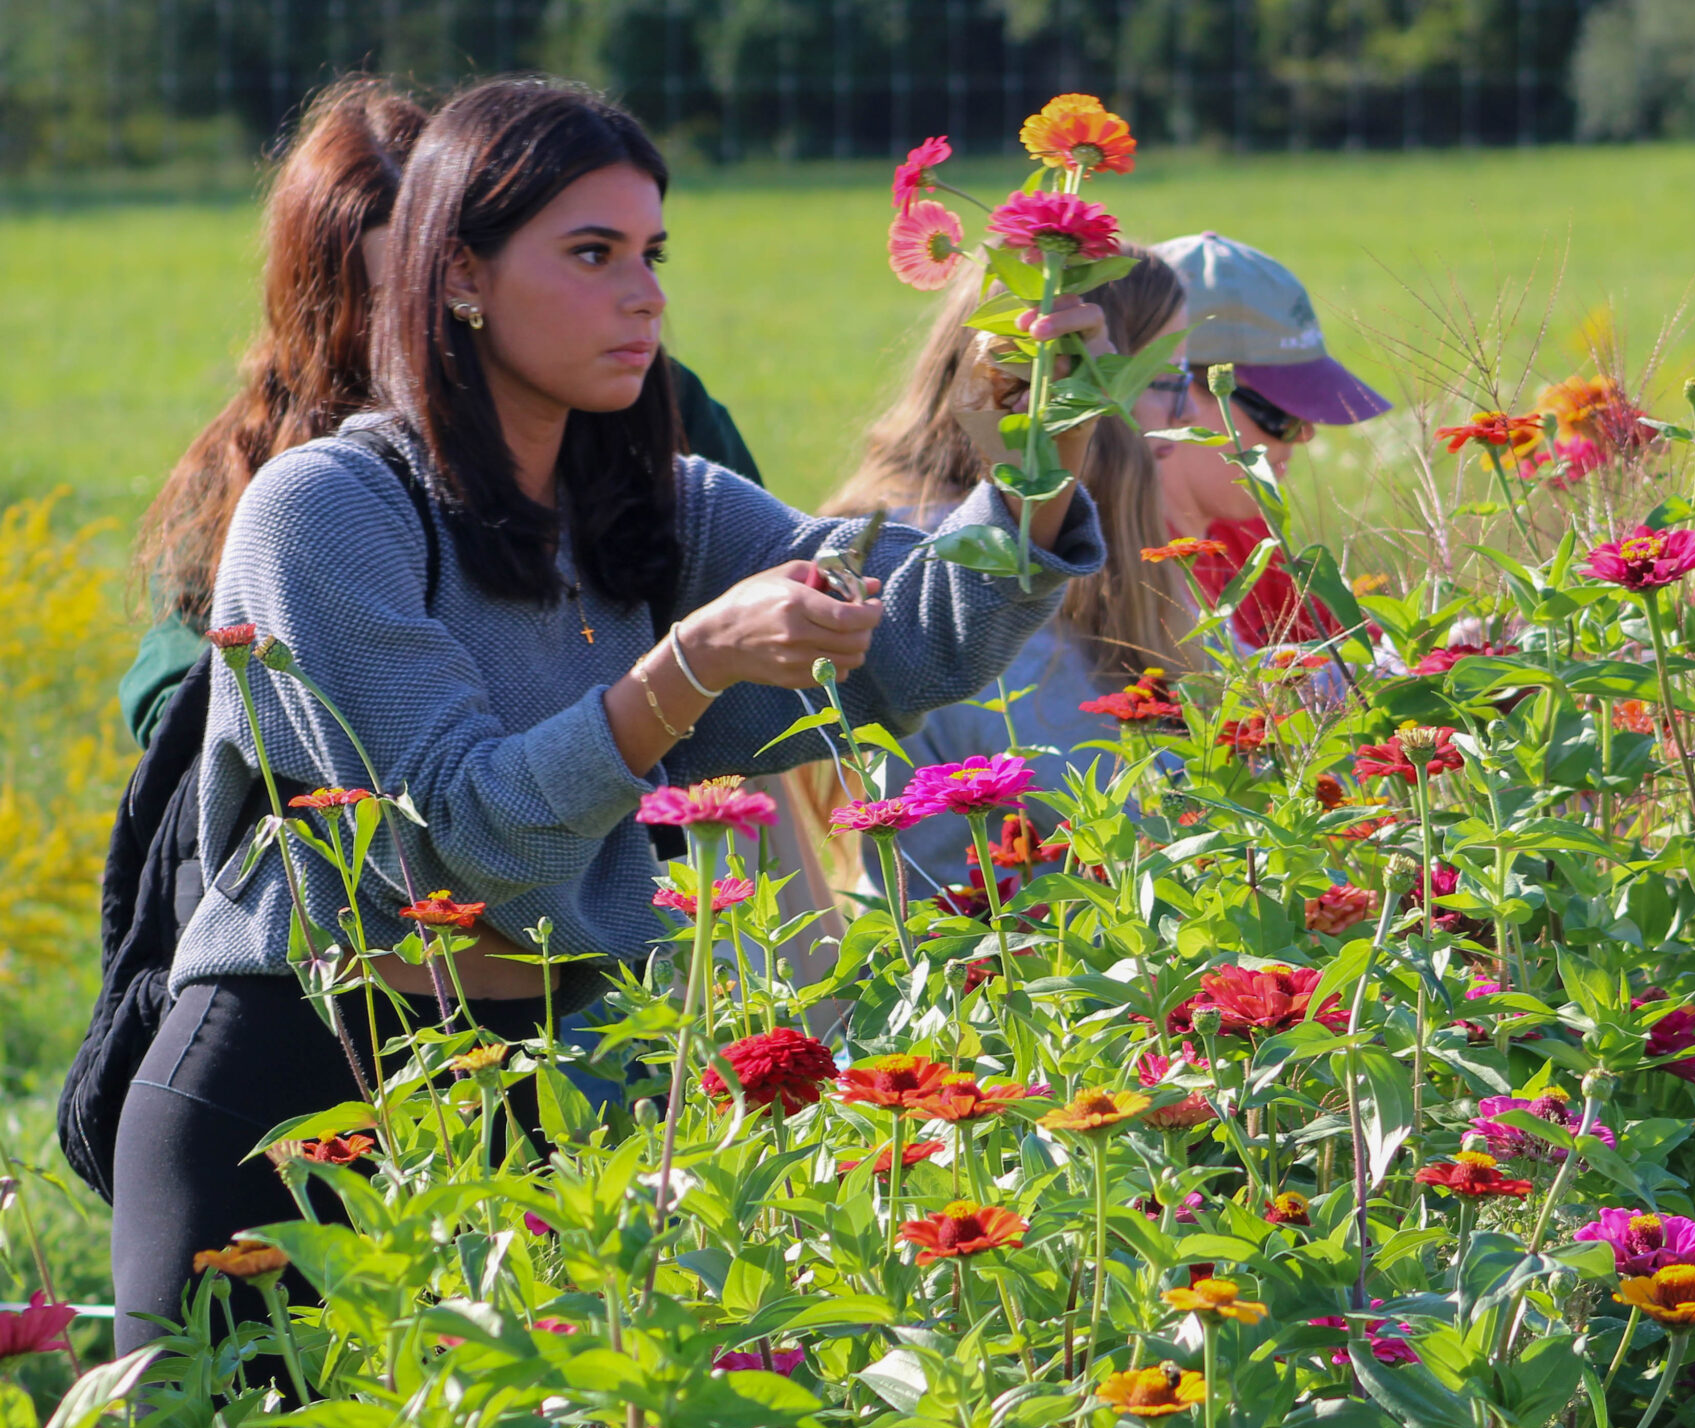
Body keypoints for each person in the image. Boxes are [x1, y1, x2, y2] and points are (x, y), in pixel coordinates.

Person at [111, 76, 1111, 1360]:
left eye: (652, 253)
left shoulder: (667, 501)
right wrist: (688, 664)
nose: (643, 294)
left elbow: (908, 646)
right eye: (591, 254)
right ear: (459, 274)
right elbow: (464, 837)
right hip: (291, 1103)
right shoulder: (323, 510)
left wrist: (1039, 457)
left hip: (548, 1100)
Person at [121, 74, 763, 753]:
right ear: (321, 307)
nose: (430, 316)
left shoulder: (645, 403)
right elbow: (175, 705)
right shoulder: (268, 473)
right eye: (393, 293)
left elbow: (769, 619)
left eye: (447, 279)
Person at [791, 246, 1200, 902]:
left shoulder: (1025, 533)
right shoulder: (957, 564)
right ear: (1063, 383)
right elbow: (1146, 820)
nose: (1188, 414)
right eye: (1165, 378)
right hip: (983, 963)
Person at [1138, 231, 1393, 651]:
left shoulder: (1247, 535)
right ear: (1172, 389)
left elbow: (1366, 657)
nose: (1307, 433)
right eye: (1281, 414)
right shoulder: (1124, 564)